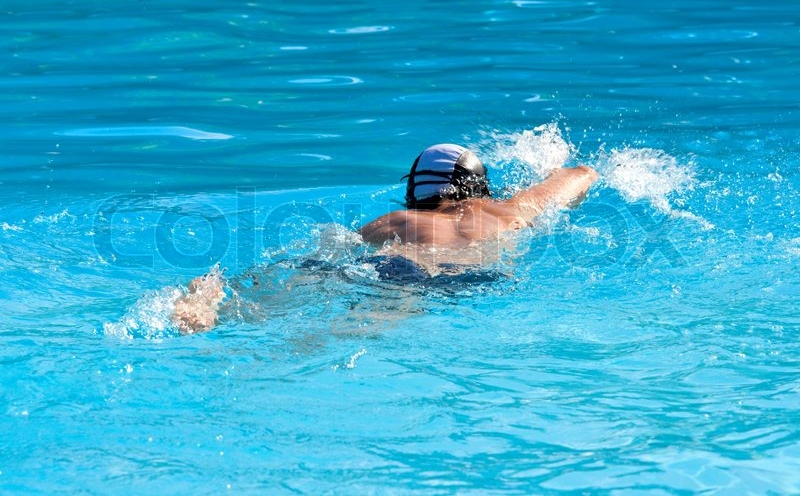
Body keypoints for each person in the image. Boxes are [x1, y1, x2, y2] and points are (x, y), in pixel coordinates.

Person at [172, 143, 598, 333]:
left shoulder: (398, 220)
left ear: (416, 192)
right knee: (362, 330)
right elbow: (581, 174)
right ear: (480, 186)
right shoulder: (514, 211)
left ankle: (208, 298)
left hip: (398, 267)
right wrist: (547, 166)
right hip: (476, 281)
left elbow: (331, 252)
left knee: (313, 277)